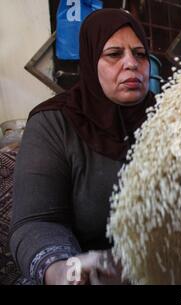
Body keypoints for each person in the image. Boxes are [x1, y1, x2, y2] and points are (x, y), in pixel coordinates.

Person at [9, 8, 156, 284]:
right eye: (114, 54)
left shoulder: (170, 118)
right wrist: (64, 269)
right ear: (90, 61)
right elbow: (36, 222)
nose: (131, 63)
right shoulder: (54, 122)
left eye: (140, 54)